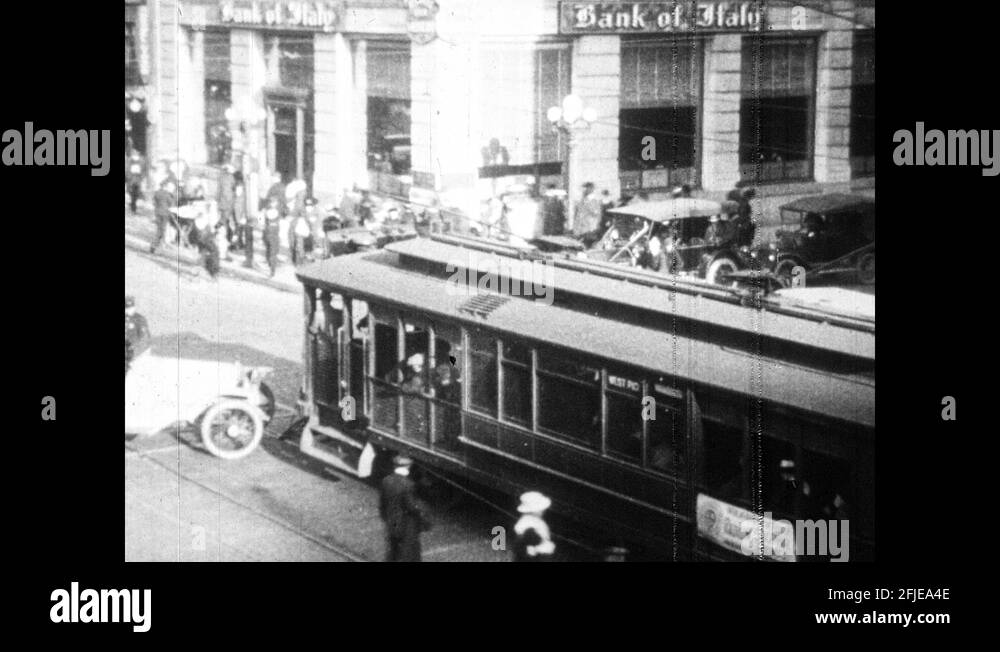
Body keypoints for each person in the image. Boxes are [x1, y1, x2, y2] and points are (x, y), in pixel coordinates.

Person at [379, 455, 431, 562]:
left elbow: (382, 504)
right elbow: (411, 506)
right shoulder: (408, 484)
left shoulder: (386, 481)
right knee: (410, 553)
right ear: (408, 467)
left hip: (392, 523)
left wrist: (386, 517)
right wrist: (422, 512)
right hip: (406, 526)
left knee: (393, 551)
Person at [512, 491, 556, 562]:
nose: (543, 511)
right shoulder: (528, 523)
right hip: (530, 553)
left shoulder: (538, 522)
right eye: (541, 509)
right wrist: (536, 548)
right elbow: (523, 541)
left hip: (535, 550)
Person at [125, 296, 151, 375]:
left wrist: (133, 354)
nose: (128, 310)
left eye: (130, 307)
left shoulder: (139, 319)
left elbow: (144, 339)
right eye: (127, 307)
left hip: (136, 354)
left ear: (134, 307)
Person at [150, 180, 177, 254]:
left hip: (157, 213)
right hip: (165, 214)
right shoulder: (168, 195)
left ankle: (155, 246)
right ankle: (156, 246)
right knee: (162, 231)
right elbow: (172, 204)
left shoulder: (158, 192)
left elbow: (153, 201)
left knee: (159, 230)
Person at [573, 182, 603, 247]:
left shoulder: (593, 200)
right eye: (585, 188)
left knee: (588, 245)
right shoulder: (583, 200)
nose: (584, 190)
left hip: (590, 228)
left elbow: (596, 214)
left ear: (591, 189)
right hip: (582, 228)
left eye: (586, 188)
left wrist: (587, 206)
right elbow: (578, 214)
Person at [217, 164, 237, 249]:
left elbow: (218, 192)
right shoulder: (231, 178)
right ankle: (228, 241)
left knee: (224, 221)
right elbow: (233, 188)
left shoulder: (221, 178)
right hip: (228, 203)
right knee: (227, 222)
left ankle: (224, 238)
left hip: (222, 203)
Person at [263, 197, 282, 278]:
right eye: (271, 203)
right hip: (269, 235)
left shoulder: (273, 212)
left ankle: (272, 271)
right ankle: (271, 268)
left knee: (272, 254)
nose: (273, 204)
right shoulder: (269, 212)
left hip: (273, 235)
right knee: (269, 253)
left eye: (274, 203)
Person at [126, 149, 144, 214]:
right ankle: (133, 208)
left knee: (136, 194)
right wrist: (129, 178)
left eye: (136, 154)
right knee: (132, 194)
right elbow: (127, 171)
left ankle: (133, 205)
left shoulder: (141, 161)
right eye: (134, 154)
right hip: (131, 181)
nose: (135, 155)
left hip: (138, 180)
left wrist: (141, 177)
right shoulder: (129, 161)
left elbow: (143, 170)